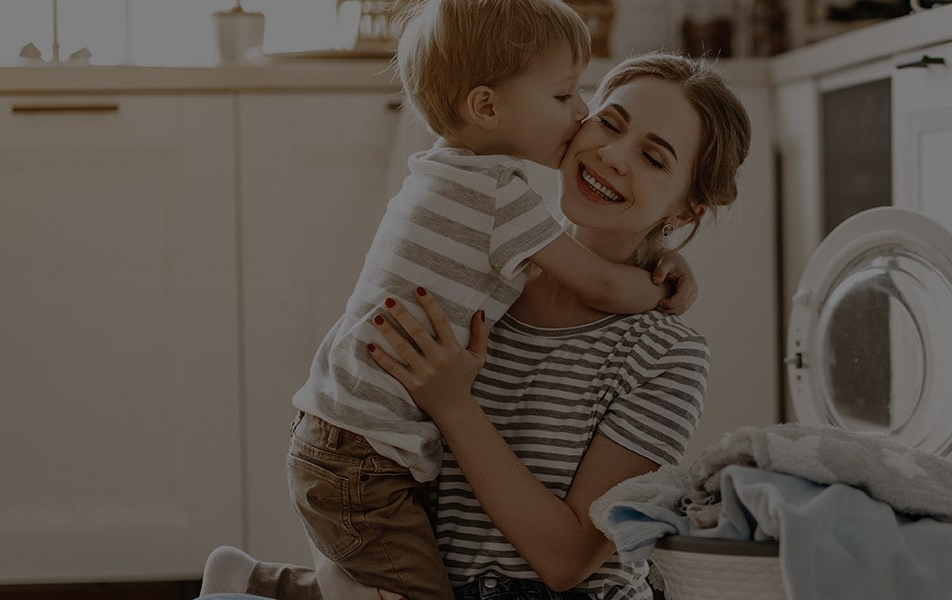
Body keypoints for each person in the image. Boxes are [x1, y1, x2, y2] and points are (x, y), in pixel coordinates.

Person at [200, 52, 752, 600]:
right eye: (609, 122)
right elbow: (353, 435)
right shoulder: (469, 273)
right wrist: (338, 567)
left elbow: (568, 561)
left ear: (685, 213)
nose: (612, 155)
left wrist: (453, 405)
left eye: (654, 158)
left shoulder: (665, 355)